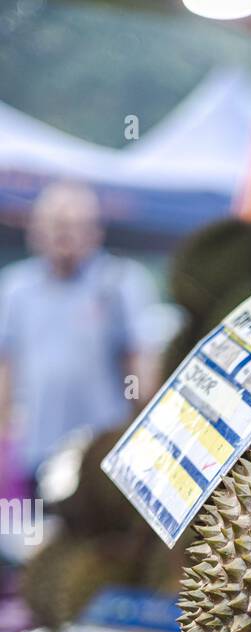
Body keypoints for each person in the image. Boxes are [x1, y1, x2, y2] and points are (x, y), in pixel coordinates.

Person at [0, 182, 158, 491]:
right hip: (36, 448)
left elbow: (140, 364)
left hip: (103, 452)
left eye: (75, 225)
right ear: (35, 230)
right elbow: (6, 364)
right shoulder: (16, 287)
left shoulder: (121, 282)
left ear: (95, 232)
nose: (64, 234)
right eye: (55, 224)